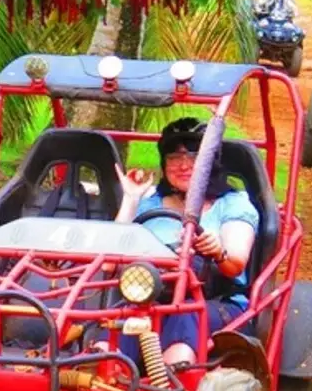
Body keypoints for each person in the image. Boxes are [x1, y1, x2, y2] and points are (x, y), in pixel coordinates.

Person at [111, 118, 259, 368]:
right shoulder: (150, 204)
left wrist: (216, 250)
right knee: (115, 319)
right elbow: (110, 261)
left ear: (209, 163)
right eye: (173, 157)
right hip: (148, 301)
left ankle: (173, 388)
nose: (182, 165)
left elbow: (235, 264)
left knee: (184, 314)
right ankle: (103, 381)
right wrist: (130, 199)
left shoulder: (233, 204)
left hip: (213, 300)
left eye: (192, 156)